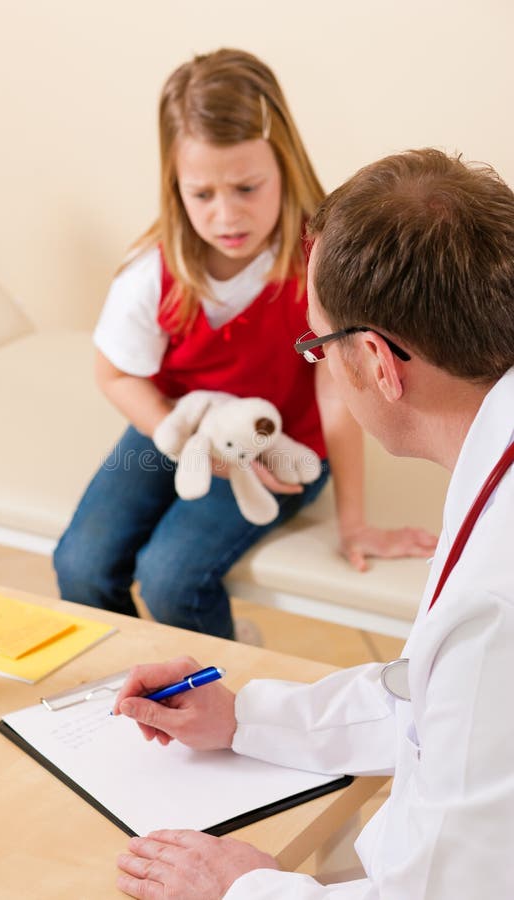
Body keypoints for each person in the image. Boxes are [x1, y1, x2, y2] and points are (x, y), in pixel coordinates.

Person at [113, 148, 514, 898]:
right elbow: (437, 705)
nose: (319, 365)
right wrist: (244, 717)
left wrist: (244, 888)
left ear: (376, 360)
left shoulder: (497, 601)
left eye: (315, 344)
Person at [53, 49, 435, 640]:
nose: (227, 216)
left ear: (283, 165)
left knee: (172, 579)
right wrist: (182, 439)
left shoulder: (317, 266)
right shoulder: (150, 273)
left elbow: (336, 397)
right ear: (174, 185)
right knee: (80, 565)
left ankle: (220, 672)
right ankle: (128, 677)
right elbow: (115, 375)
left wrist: (353, 523)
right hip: (176, 425)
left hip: (278, 444)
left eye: (247, 188)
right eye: (202, 194)